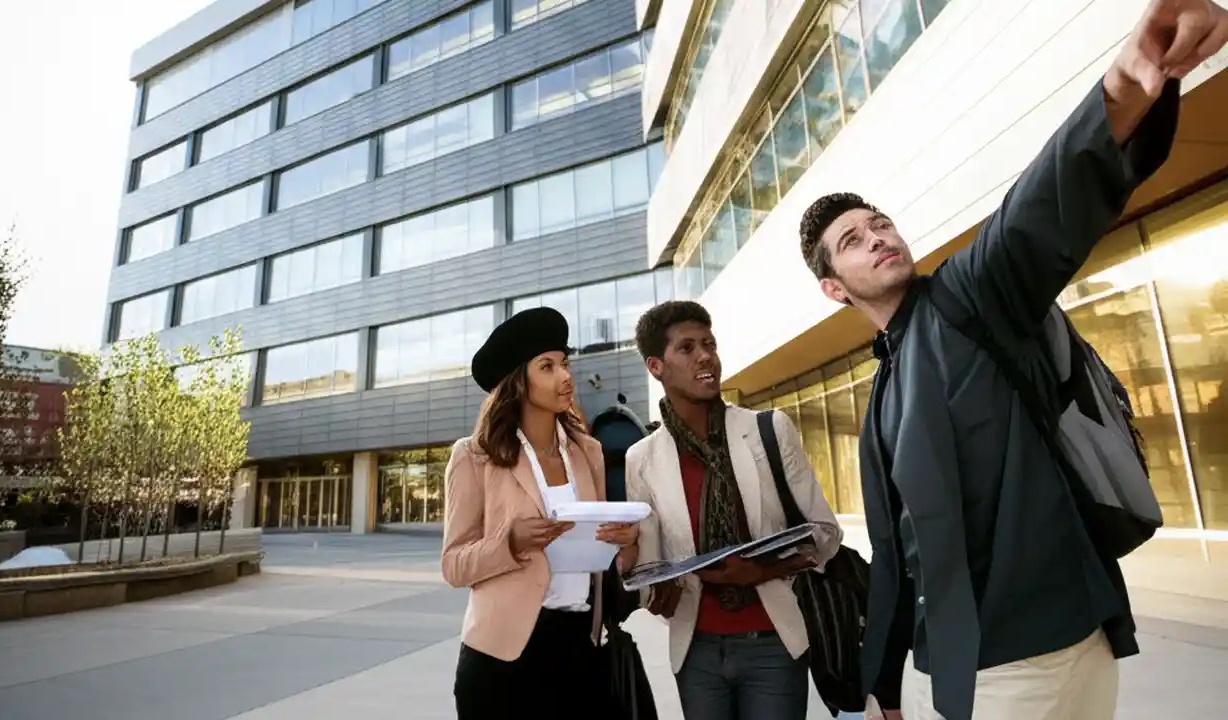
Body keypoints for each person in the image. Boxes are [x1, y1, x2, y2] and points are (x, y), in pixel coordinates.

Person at [796, 1, 1228, 718]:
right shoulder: (882, 396)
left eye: (880, 224)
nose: (876, 236)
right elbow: (900, 553)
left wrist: (1135, 72)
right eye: (851, 241)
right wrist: (882, 686)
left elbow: (1040, 202)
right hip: (975, 666)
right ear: (833, 288)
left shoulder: (971, 296)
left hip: (1051, 650)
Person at [618, 300, 843, 720]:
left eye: (709, 344)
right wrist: (651, 589)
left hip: (773, 645)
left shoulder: (768, 431)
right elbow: (649, 565)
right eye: (686, 348)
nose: (705, 356)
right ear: (656, 366)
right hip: (696, 649)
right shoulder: (641, 459)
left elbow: (825, 534)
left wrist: (760, 571)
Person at [441, 307, 639, 719]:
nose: (564, 376)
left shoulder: (589, 452)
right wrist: (509, 543)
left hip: (580, 648)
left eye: (564, 363)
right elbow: (454, 565)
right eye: (546, 366)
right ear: (518, 380)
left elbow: (610, 560)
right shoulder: (474, 457)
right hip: (502, 658)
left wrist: (625, 543)